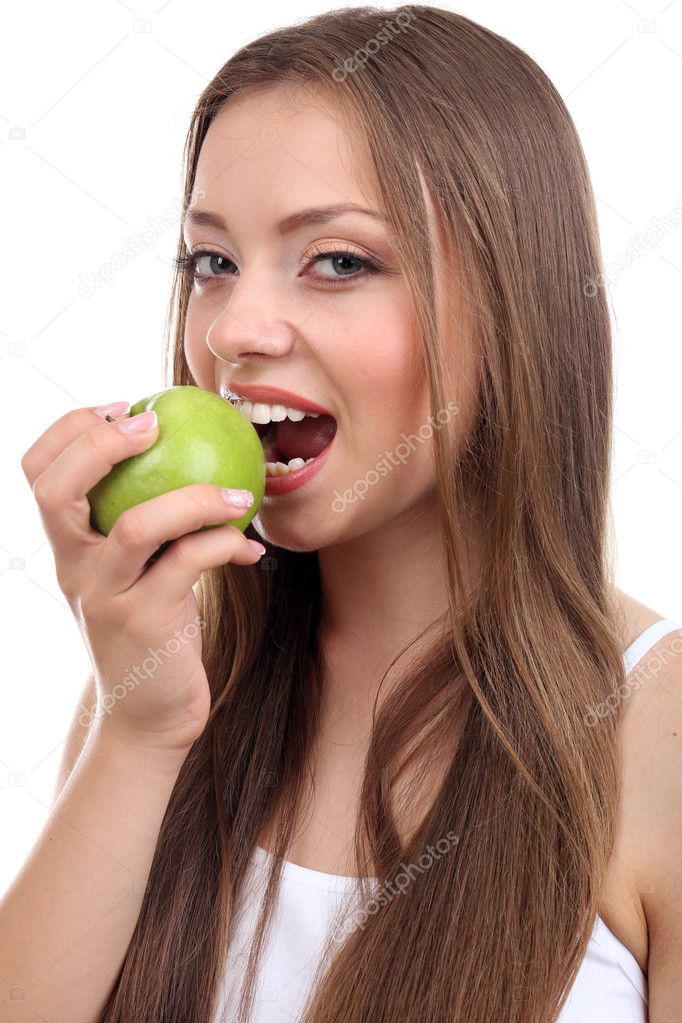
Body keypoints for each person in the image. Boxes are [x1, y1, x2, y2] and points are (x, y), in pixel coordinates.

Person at [4, 5, 682, 1021]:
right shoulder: (161, 690)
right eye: (211, 263)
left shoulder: (656, 732)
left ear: (515, 307)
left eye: (338, 261)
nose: (234, 331)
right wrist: (139, 734)